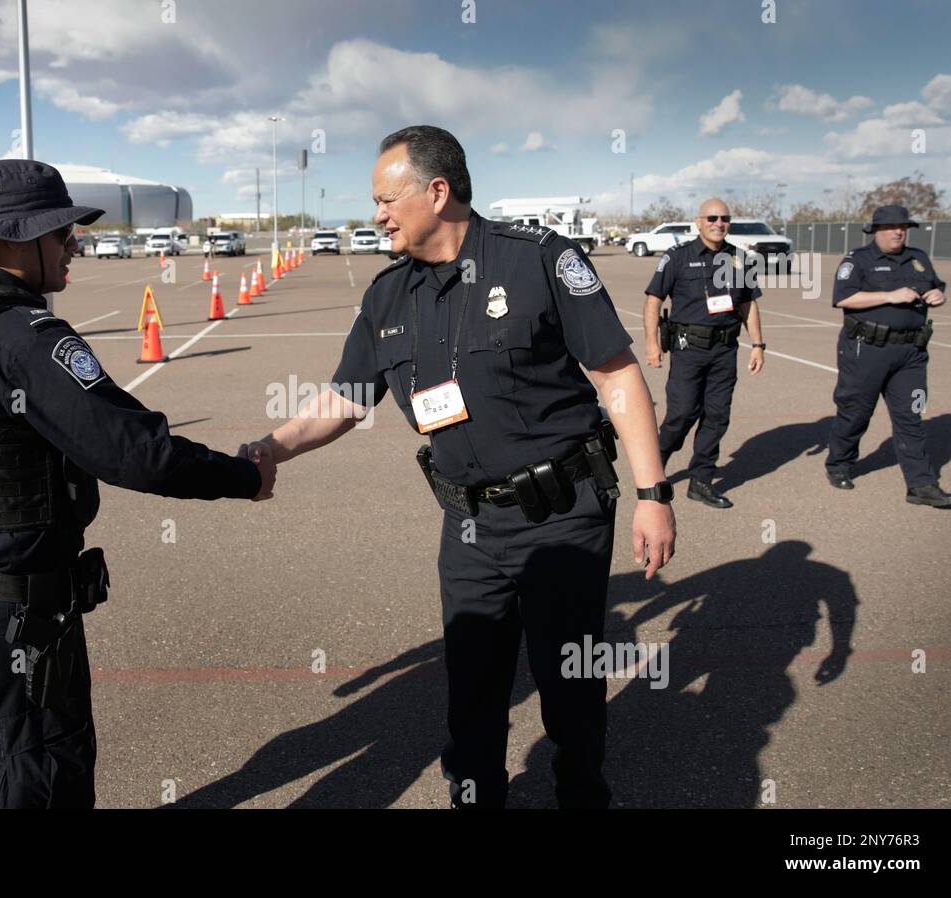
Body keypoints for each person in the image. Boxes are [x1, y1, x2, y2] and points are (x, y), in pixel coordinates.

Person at [242, 125, 675, 808]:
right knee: (472, 693)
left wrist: (653, 493)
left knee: (569, 691)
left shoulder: (537, 261)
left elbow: (617, 375)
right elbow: (346, 399)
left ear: (437, 192)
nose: (376, 213)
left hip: (562, 513)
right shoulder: (387, 296)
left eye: (387, 198)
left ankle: (582, 796)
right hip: (469, 525)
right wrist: (274, 446)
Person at [0, 159, 275, 808]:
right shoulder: (24, 337)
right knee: (41, 774)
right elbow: (134, 452)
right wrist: (242, 476)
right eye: (60, 235)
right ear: (14, 240)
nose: (74, 246)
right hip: (15, 616)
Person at [825, 205, 951, 507]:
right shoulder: (858, 260)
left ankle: (921, 485)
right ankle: (839, 463)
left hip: (911, 352)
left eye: (903, 226)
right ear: (876, 230)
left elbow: (935, 287)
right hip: (866, 349)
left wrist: (939, 296)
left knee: (911, 416)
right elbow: (843, 298)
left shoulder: (919, 259)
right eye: (891, 227)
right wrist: (889, 295)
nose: (898, 231)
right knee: (856, 412)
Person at [643, 198, 766, 509]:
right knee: (682, 414)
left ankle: (701, 480)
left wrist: (758, 345)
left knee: (716, 417)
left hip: (725, 350)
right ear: (698, 222)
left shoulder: (740, 260)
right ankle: (653, 470)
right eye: (711, 217)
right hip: (688, 349)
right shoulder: (677, 257)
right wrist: (652, 343)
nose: (718, 223)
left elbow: (748, 304)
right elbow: (653, 301)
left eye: (724, 218)